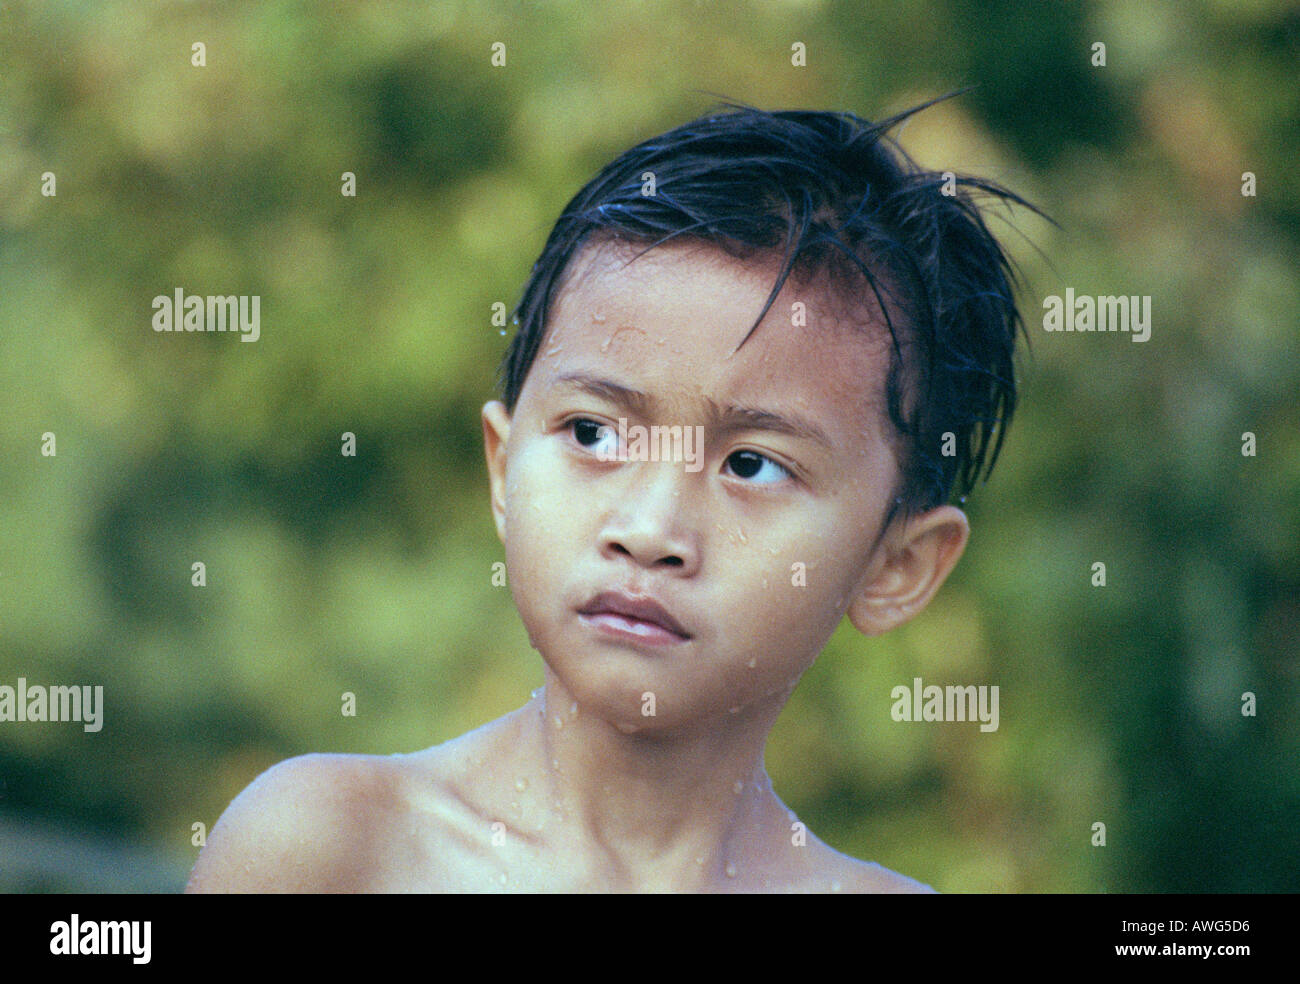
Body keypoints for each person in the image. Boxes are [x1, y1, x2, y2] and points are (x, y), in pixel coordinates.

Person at [187, 99, 1035, 893]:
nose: (649, 529)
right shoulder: (334, 851)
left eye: (752, 466)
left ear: (897, 566)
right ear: (503, 467)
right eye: (594, 434)